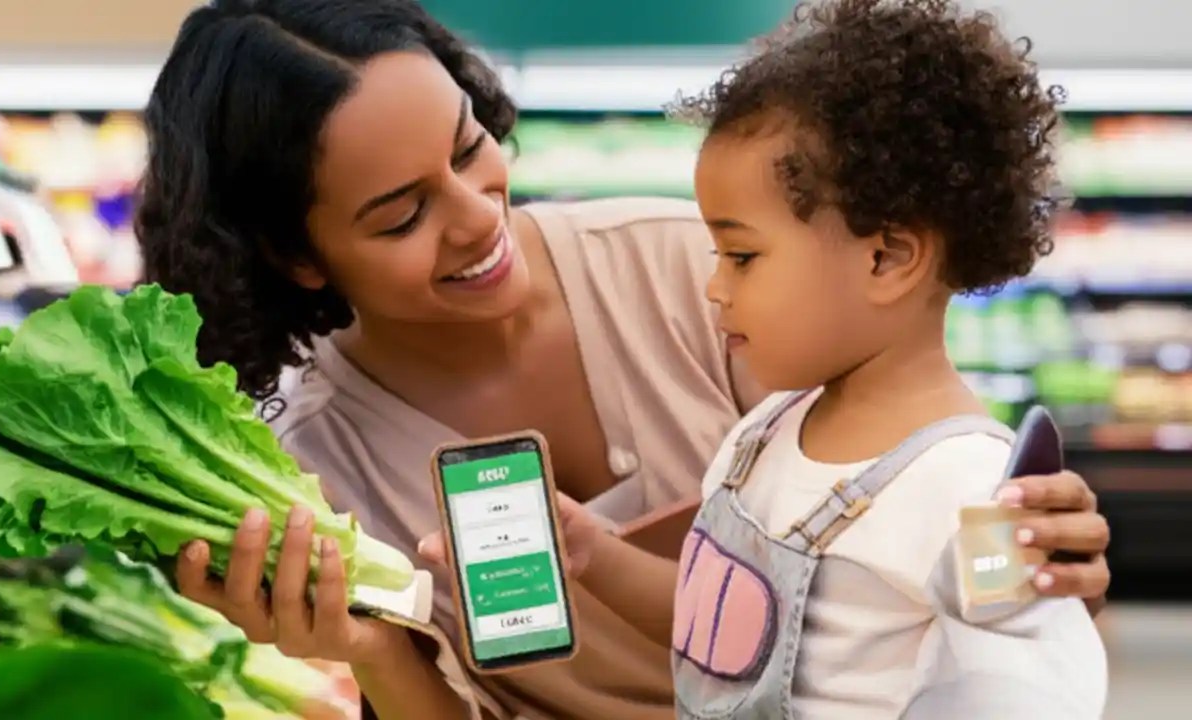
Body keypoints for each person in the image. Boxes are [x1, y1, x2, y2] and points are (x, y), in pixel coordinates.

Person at [137, 1, 1113, 719]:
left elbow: (1023, 627)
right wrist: (369, 651)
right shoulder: (316, 466)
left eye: (469, 145)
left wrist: (1039, 567)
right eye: (401, 213)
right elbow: (728, 606)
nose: (481, 217)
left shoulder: (740, 289)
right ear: (295, 256)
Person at [433, 1, 1113, 717]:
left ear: (888, 258)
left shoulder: (976, 492)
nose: (713, 288)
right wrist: (589, 555)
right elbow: (717, 630)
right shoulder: (762, 436)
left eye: (743, 256)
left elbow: (1029, 691)